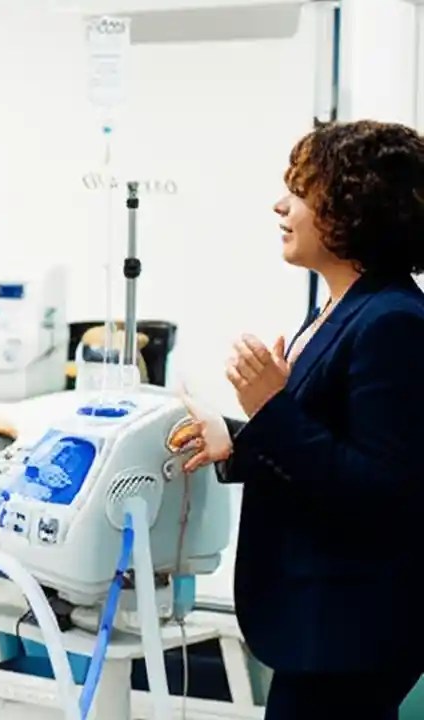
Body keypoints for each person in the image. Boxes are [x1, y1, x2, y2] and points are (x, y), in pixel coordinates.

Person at [182, 120, 424, 720]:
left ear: (354, 209)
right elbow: (326, 444)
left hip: (351, 632)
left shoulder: (394, 322)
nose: (280, 205)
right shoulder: (340, 308)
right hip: (318, 627)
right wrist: (237, 442)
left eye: (301, 190)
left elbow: (382, 490)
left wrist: (269, 407)